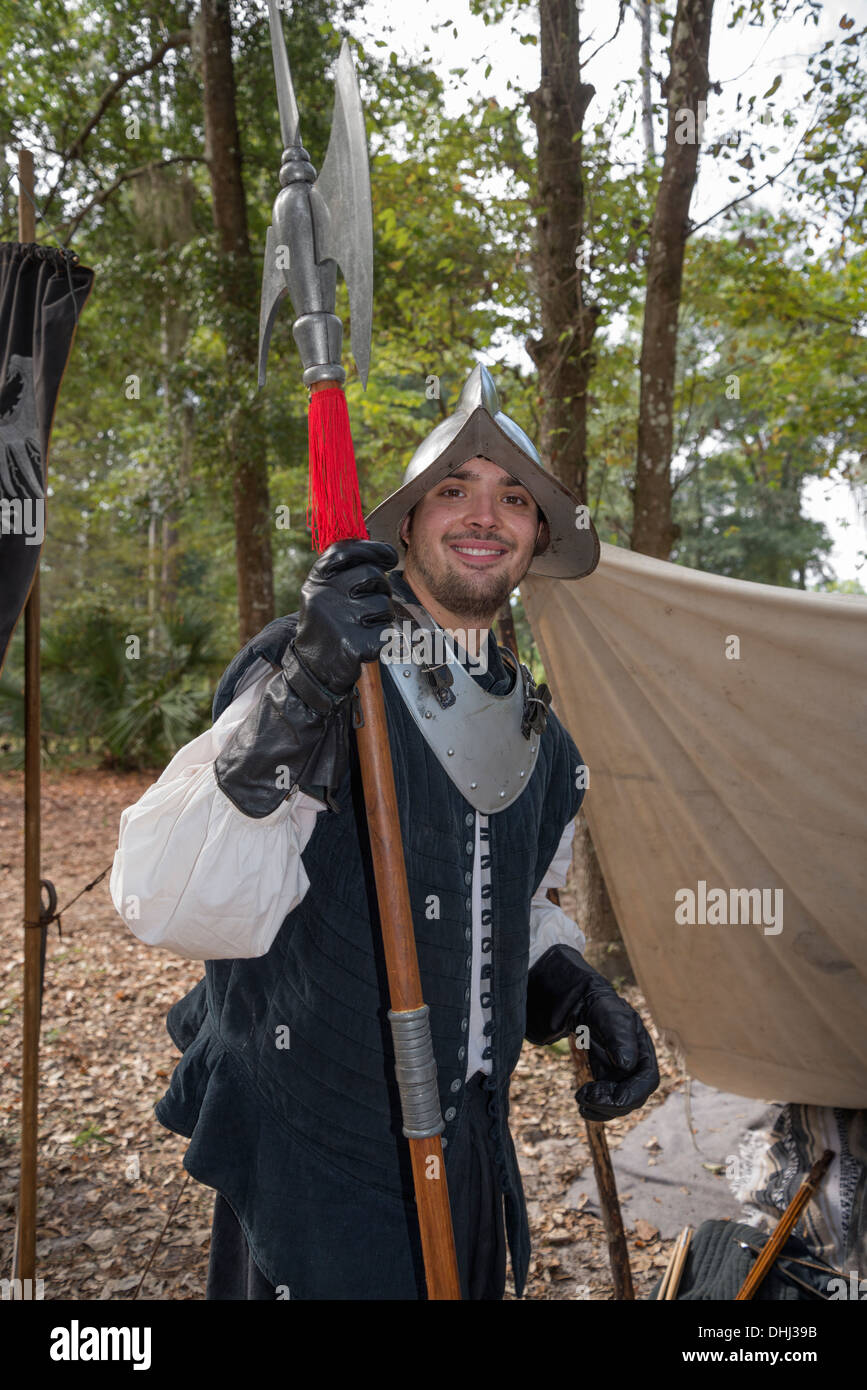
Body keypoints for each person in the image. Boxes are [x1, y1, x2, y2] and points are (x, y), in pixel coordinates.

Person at [110, 365, 659, 1300]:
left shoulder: (544, 739)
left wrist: (567, 984)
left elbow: (506, 906)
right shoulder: (308, 665)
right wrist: (302, 695)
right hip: (317, 1150)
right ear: (406, 523)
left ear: (536, 539)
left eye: (513, 500)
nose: (484, 516)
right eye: (455, 491)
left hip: (470, 1162)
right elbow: (171, 902)